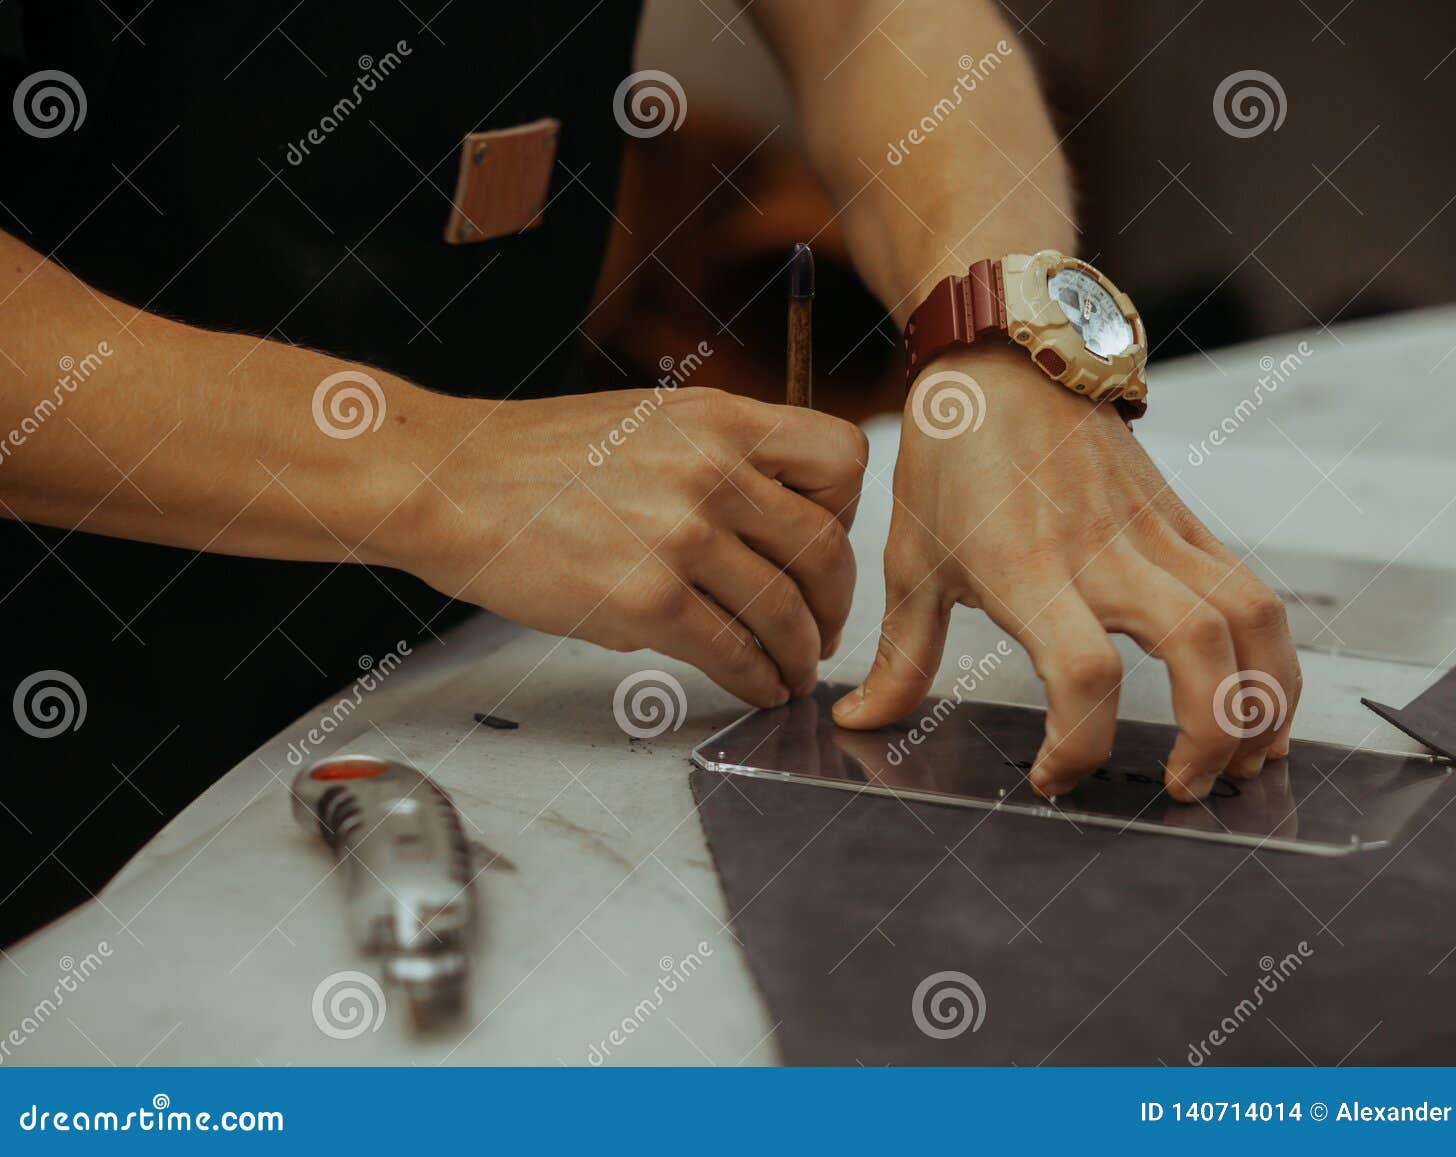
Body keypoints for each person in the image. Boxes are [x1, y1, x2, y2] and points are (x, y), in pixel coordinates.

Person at [0, 1, 1299, 943]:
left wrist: (1006, 338)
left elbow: (870, 20)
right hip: (69, 749)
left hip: (479, 675)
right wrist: (441, 470)